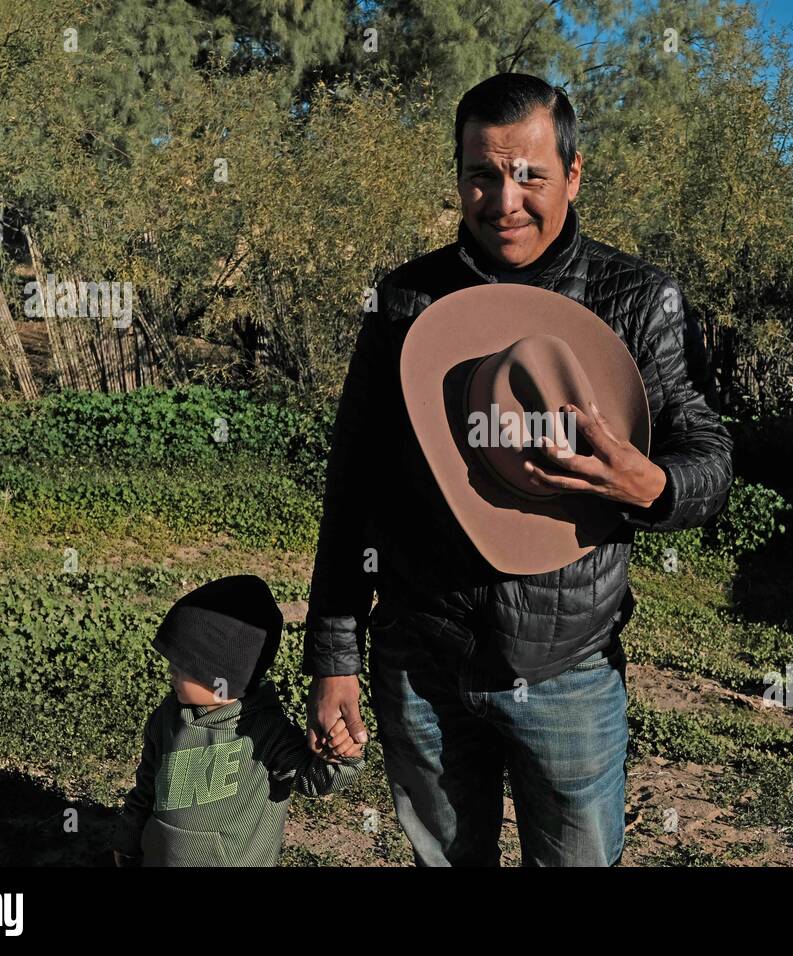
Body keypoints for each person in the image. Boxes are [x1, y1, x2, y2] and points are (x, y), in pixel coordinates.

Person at [303, 72, 733, 866]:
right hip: (420, 662)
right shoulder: (403, 301)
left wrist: (658, 487)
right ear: (459, 178)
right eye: (483, 175)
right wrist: (334, 657)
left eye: (531, 173)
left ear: (572, 174)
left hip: (569, 670)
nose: (506, 200)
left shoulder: (639, 299)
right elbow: (353, 482)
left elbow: (709, 455)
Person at [112, 575, 363, 866]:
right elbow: (145, 786)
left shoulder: (265, 731)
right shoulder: (168, 716)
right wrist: (128, 838)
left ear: (222, 678)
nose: (172, 671)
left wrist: (342, 755)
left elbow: (314, 779)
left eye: (184, 666)